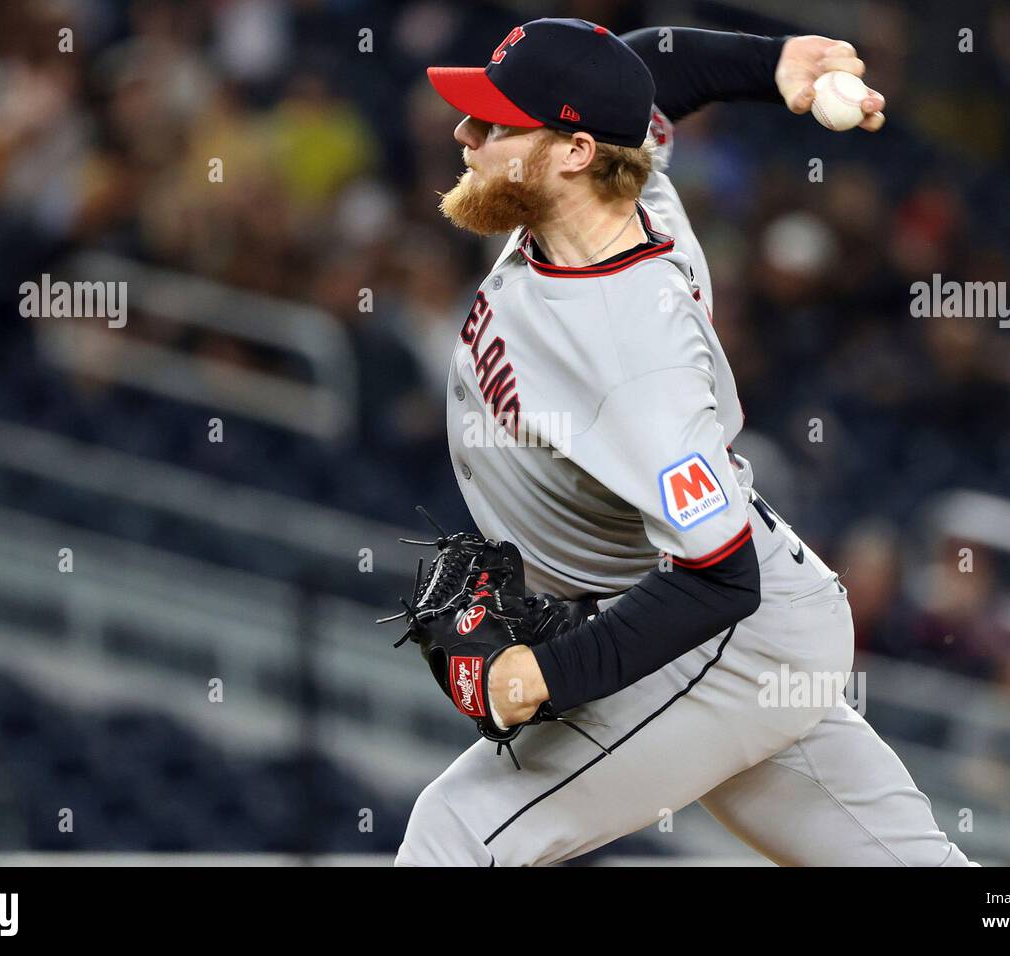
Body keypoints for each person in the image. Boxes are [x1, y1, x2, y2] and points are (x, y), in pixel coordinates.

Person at [396, 17, 971, 867]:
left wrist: (547, 678)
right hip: (749, 629)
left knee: (457, 836)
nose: (465, 133)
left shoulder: (631, 351)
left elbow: (719, 577)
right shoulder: (624, 187)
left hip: (718, 636)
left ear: (572, 152)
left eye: (494, 123)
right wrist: (776, 62)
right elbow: (647, 68)